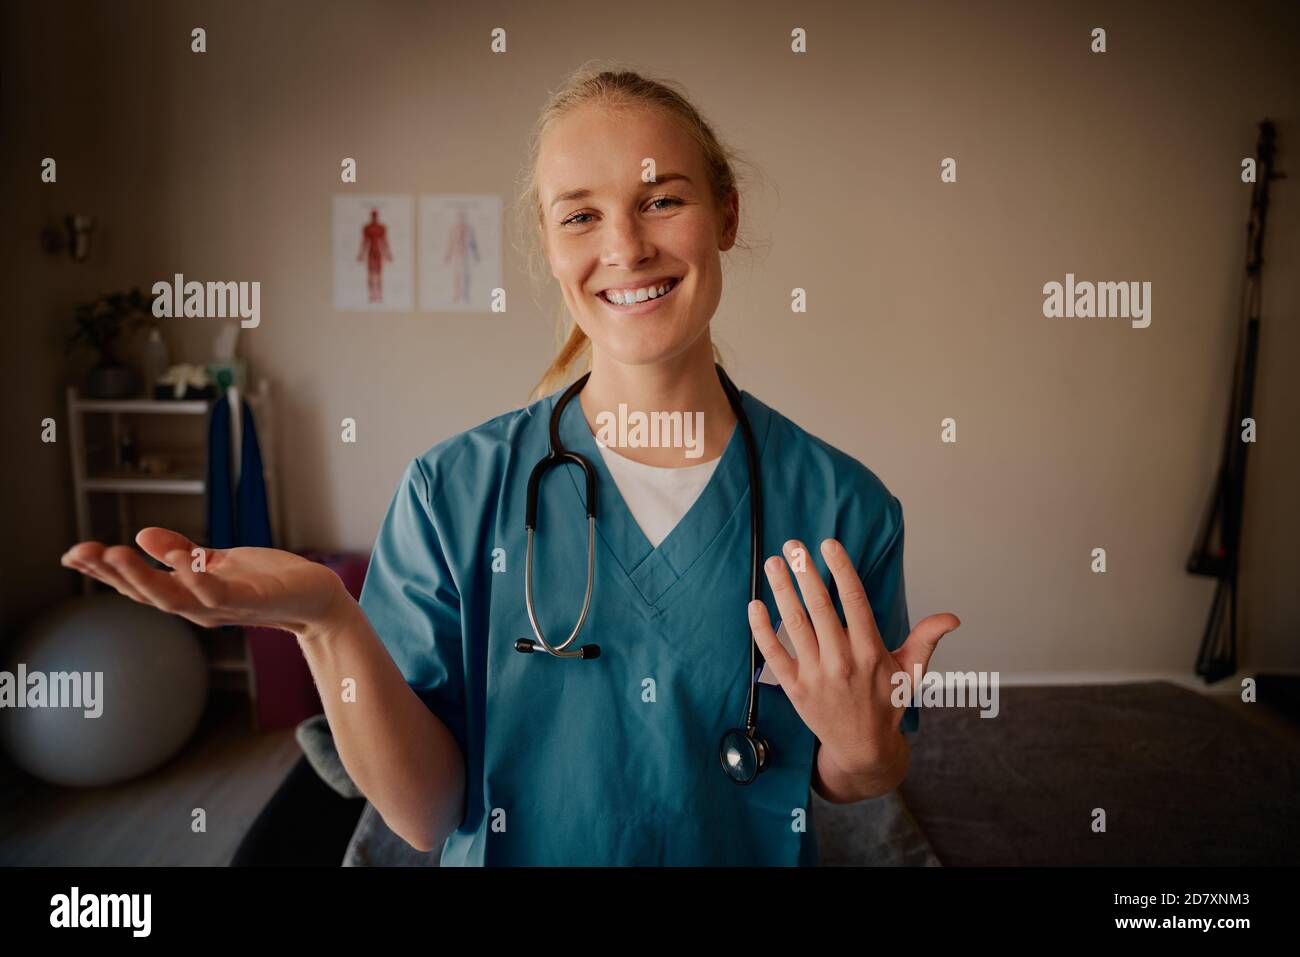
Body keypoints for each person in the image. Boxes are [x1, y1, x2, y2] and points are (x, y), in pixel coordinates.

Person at [61, 64, 959, 866]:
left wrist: (868, 749)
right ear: (549, 247)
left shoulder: (846, 506)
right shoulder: (450, 493)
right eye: (582, 215)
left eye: (662, 199)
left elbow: (858, 776)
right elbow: (424, 813)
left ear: (727, 211)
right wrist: (325, 621)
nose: (627, 246)